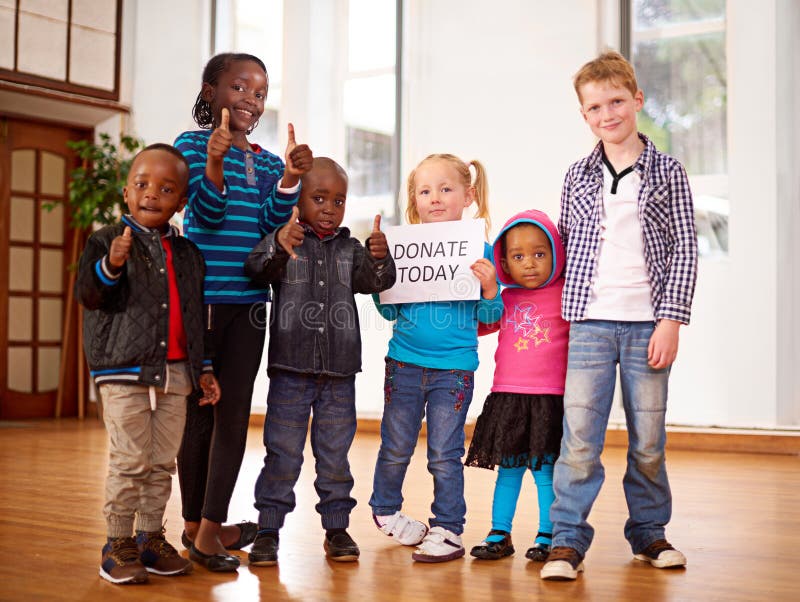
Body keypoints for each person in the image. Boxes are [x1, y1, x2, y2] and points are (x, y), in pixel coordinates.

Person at [540, 50, 698, 581]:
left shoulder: (668, 171)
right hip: (588, 322)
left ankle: (649, 533)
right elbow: (564, 248)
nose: (607, 114)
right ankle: (566, 540)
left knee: (648, 440)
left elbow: (684, 249)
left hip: (648, 324)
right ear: (584, 115)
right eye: (595, 107)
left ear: (637, 100)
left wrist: (671, 320)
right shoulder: (577, 175)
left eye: (616, 102)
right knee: (579, 438)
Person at [173, 52, 313, 572]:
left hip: (251, 304)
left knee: (232, 416)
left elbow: (269, 225)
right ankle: (196, 527)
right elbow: (206, 214)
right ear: (211, 92)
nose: (251, 100)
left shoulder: (269, 161)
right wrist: (213, 162)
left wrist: (290, 179)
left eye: (260, 93)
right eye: (240, 87)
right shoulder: (190, 147)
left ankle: (210, 527)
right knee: (199, 416)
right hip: (204, 302)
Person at [75, 144, 221, 585]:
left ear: (182, 202)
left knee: (161, 462)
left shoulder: (189, 254)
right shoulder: (105, 241)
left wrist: (204, 368)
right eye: (141, 184)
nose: (151, 194)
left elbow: (196, 317)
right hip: (123, 370)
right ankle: (117, 542)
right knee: (130, 459)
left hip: (176, 372)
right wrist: (112, 264)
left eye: (166, 189)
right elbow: (89, 295)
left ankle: (150, 538)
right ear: (126, 192)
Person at [243, 157, 396, 566]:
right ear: (299, 201)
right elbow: (255, 268)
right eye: (319, 198)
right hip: (290, 371)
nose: (329, 208)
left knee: (335, 455)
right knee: (282, 453)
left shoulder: (352, 249)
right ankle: (268, 529)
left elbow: (377, 282)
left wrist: (380, 256)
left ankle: (337, 528)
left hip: (340, 374)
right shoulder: (286, 240)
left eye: (339, 201)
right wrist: (278, 242)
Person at [370, 153, 503, 563]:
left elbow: (491, 318)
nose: (435, 198)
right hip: (403, 366)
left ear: (468, 196)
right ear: (415, 199)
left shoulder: (480, 251)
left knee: (445, 454)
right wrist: (379, 277)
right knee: (395, 446)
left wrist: (490, 289)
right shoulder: (403, 249)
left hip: (454, 370)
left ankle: (448, 528)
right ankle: (384, 510)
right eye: (425, 191)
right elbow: (389, 312)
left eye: (446, 189)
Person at [465, 209, 569, 563]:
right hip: (508, 396)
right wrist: (490, 290)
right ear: (505, 262)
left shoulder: (565, 294)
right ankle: (499, 532)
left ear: (556, 253)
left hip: (548, 399)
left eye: (539, 253)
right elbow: (484, 322)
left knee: (545, 471)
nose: (529, 263)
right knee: (508, 470)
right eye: (518, 256)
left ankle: (548, 534)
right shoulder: (504, 297)